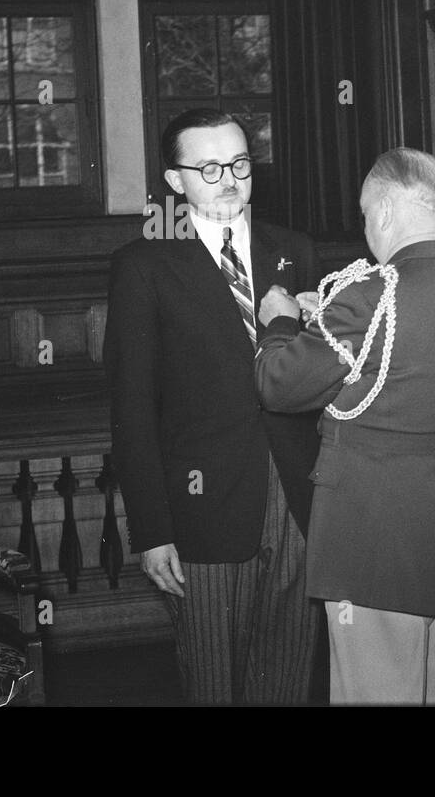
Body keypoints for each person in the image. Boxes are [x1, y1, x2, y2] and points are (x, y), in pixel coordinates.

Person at [255, 148, 435, 704]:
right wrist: (324, 320)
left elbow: (280, 386)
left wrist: (280, 324)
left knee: (378, 693)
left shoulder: (370, 296)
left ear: (381, 213)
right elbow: (407, 373)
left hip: (378, 531)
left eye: (362, 215)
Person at [103, 108, 321, 703]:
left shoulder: (295, 250)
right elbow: (131, 410)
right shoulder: (143, 264)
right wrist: (151, 530)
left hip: (296, 497)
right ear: (175, 182)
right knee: (213, 681)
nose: (229, 179)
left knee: (287, 678)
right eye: (208, 167)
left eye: (240, 163)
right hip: (200, 508)